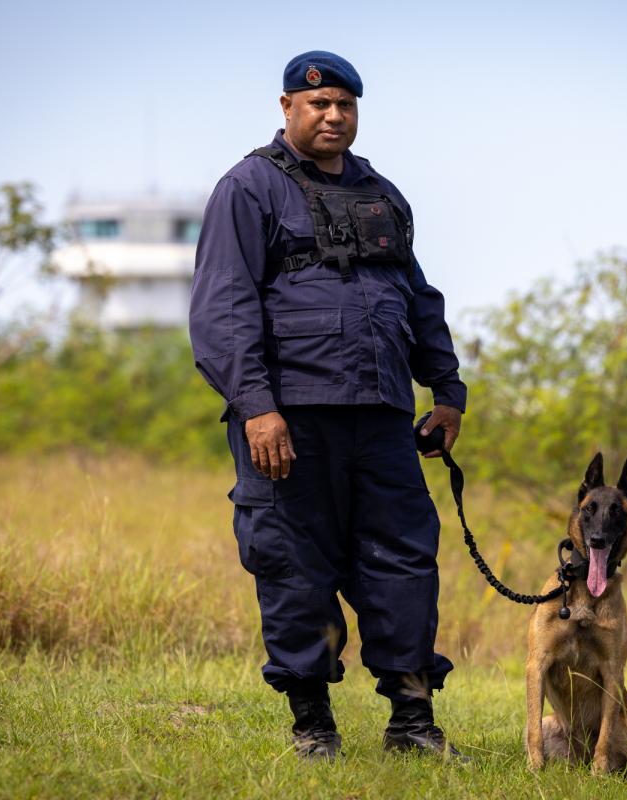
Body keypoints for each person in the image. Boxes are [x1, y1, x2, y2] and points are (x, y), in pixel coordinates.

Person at [188, 50, 468, 762]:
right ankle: (313, 724)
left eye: (344, 104)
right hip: (289, 418)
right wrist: (256, 406)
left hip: (379, 415)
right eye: (318, 105)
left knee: (404, 559)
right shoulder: (248, 187)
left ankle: (412, 722)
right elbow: (223, 307)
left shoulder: (382, 194)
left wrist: (446, 390)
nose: (333, 115)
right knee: (292, 564)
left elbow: (418, 297)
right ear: (287, 108)